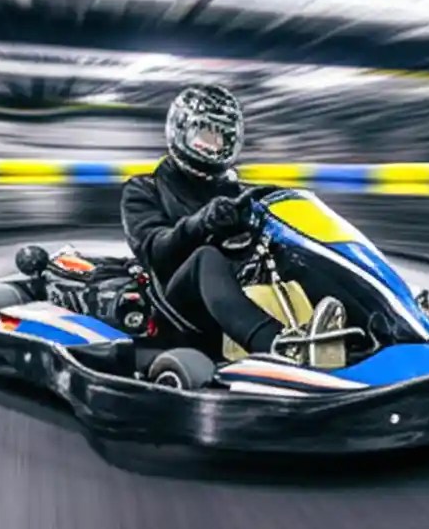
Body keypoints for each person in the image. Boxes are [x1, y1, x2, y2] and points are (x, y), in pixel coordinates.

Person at [121, 85, 345, 360]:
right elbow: (156, 251)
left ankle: (378, 326)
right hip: (180, 307)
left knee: (298, 253)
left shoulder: (240, 193)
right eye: (206, 135)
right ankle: (278, 344)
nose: (215, 146)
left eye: (222, 138)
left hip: (239, 289)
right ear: (181, 131)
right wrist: (200, 223)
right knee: (206, 257)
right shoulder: (145, 189)